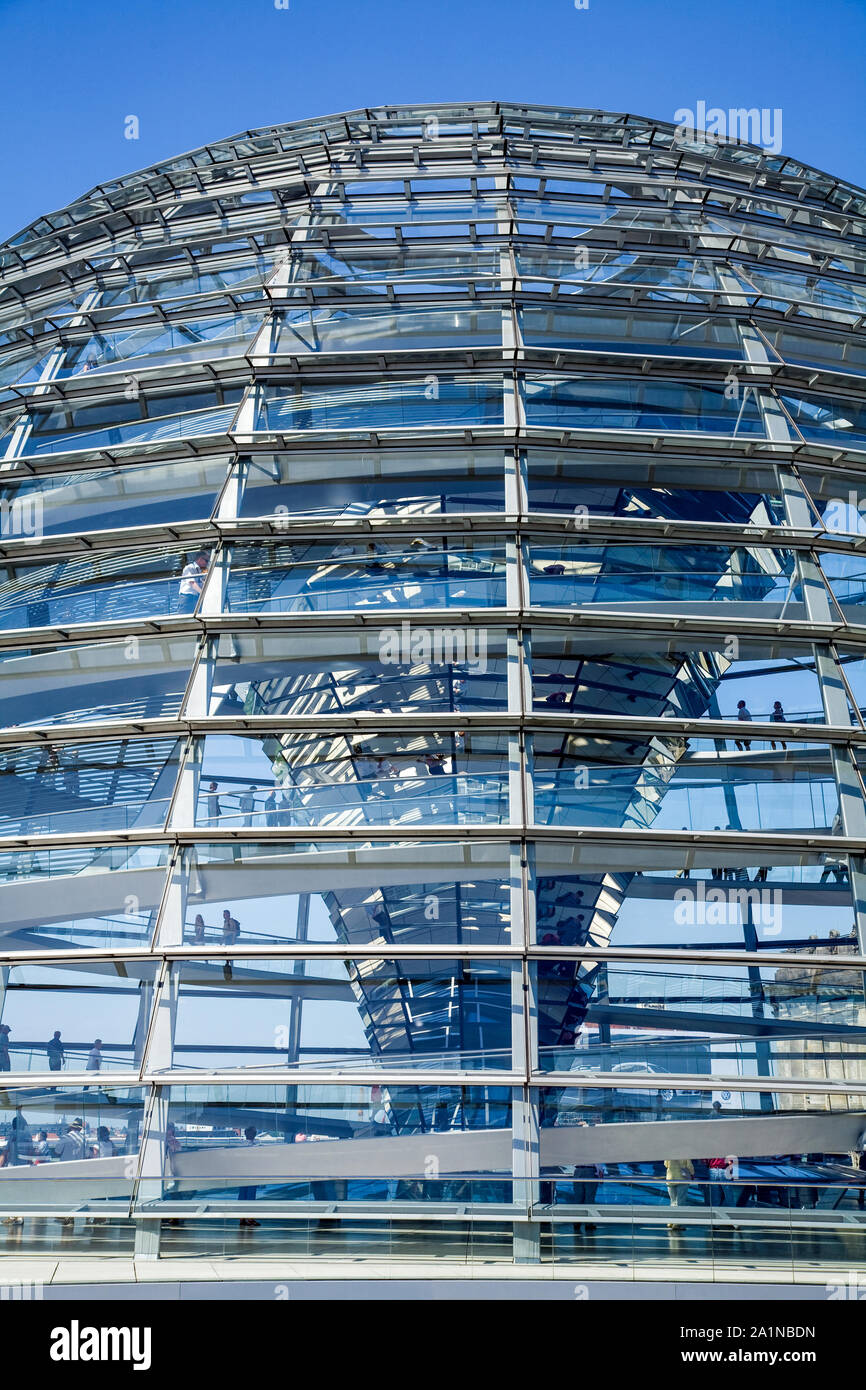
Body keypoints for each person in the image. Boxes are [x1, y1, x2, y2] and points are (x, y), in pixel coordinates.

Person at [238, 1125, 260, 1228]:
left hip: (243, 1174)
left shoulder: (241, 1145)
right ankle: (249, 1218)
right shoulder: (255, 1146)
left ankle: (242, 1218)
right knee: (250, 1196)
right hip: (250, 1174)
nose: (254, 1134)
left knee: (243, 1196)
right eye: (253, 1132)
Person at [664, 1157, 694, 1227]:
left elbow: (666, 1164)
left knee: (673, 1201)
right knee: (680, 1202)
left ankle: (670, 1222)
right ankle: (677, 1223)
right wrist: (692, 1174)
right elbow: (689, 1165)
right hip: (682, 1179)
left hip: (670, 1178)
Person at [177, 550, 209, 615]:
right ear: (200, 559)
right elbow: (192, 583)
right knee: (184, 618)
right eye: (206, 561)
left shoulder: (201, 570)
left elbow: (203, 583)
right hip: (187, 598)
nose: (207, 563)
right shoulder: (189, 568)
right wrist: (204, 594)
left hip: (196, 598)